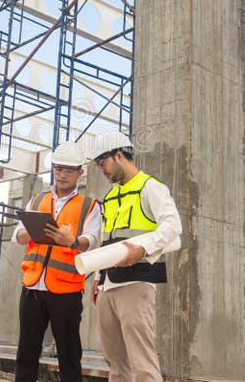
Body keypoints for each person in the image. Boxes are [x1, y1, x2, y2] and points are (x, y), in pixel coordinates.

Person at [89, 131, 182, 382]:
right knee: (115, 363)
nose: (102, 170)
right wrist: (98, 278)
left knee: (142, 363)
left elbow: (173, 225)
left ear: (120, 155)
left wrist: (143, 249)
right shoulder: (110, 197)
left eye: (103, 163)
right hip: (109, 284)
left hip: (136, 284)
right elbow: (105, 241)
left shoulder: (150, 187)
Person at [12, 141, 103, 382]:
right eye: (58, 169)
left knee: (69, 354)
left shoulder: (89, 206)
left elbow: (91, 241)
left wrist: (71, 241)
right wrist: (33, 231)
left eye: (69, 170)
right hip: (32, 286)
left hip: (66, 290)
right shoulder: (37, 200)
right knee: (26, 352)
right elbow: (17, 236)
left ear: (80, 173)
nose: (62, 175)